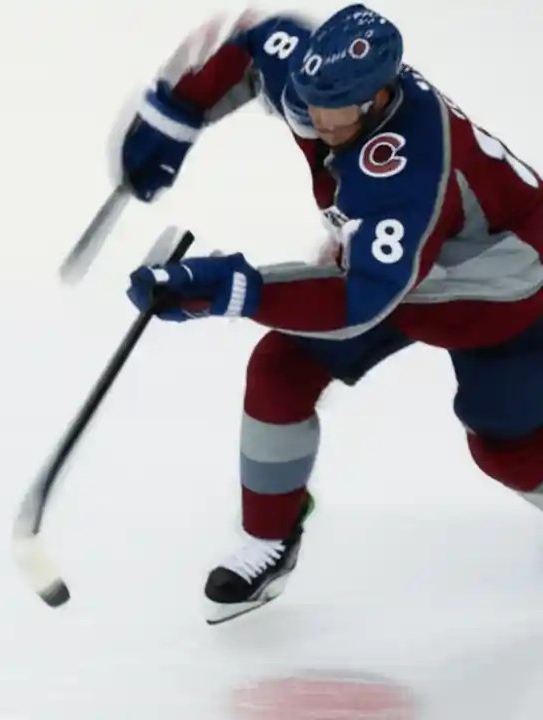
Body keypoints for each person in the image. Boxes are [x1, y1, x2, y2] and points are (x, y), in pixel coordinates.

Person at [112, 4, 543, 624]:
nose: (318, 121)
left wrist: (228, 288)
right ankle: (268, 538)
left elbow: (359, 301)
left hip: (501, 295)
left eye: (336, 111)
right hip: (402, 269)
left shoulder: (407, 172)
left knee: (507, 443)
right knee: (280, 369)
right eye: (312, 103)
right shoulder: (319, 83)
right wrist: (177, 115)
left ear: (380, 97)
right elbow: (258, 44)